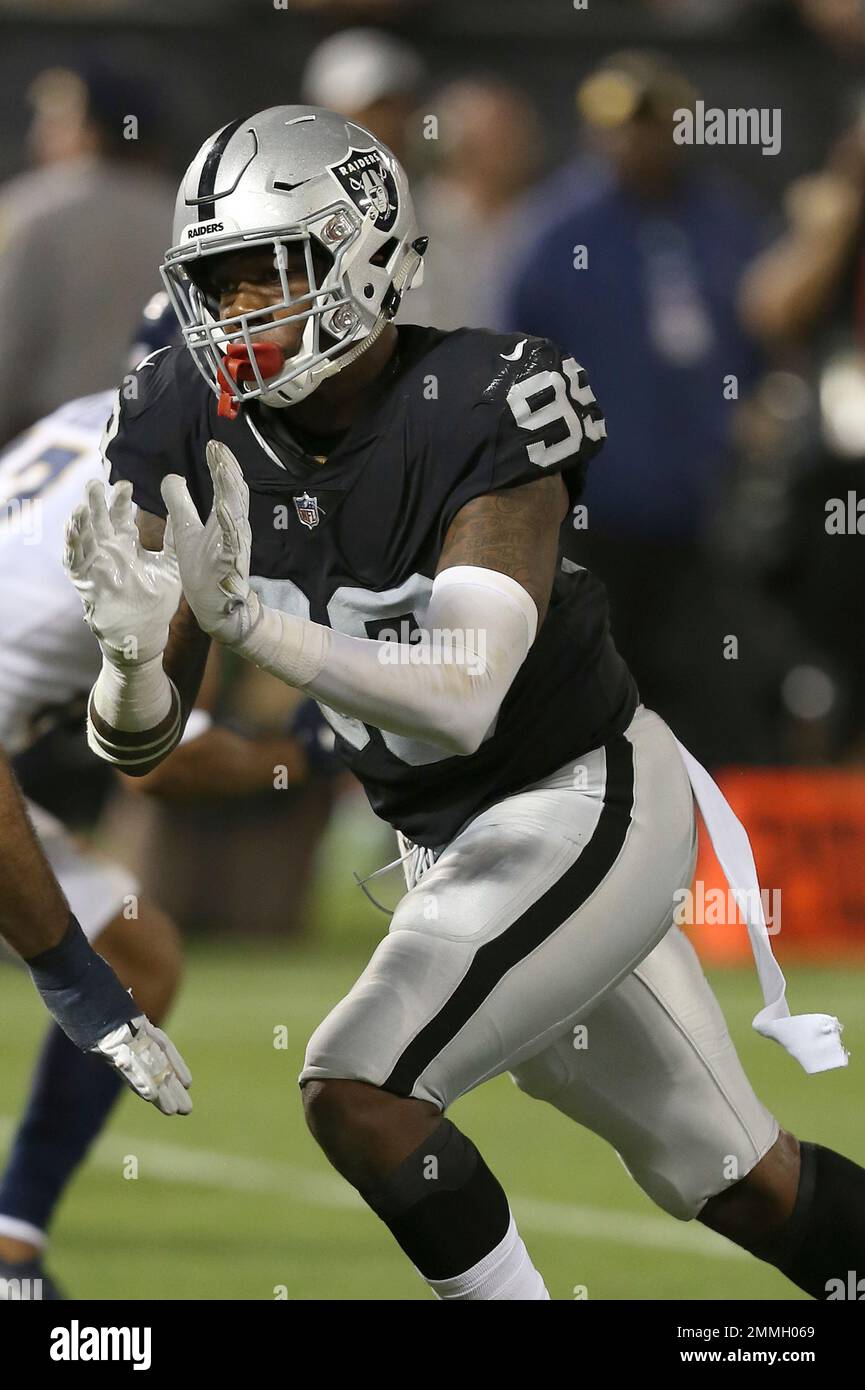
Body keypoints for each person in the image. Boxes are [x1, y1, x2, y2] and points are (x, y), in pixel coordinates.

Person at [67, 104, 861, 1301]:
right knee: (742, 1180)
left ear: (359, 254)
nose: (233, 317)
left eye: (262, 277)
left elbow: (466, 700)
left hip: (580, 798)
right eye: (214, 285)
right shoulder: (184, 405)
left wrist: (251, 624)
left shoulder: (491, 396)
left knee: (357, 1083)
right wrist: (132, 664)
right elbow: (142, 740)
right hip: (447, 843)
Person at [0, 299, 335, 1299]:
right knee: (98, 961)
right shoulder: (136, 530)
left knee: (135, 953)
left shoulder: (79, 423)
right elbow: (154, 758)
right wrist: (317, 748)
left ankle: (11, 1245)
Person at [0, 64, 175, 443]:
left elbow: (8, 349)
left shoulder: (30, 208)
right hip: (164, 441)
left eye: (58, 120)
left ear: (92, 129)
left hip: (48, 445)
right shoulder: (184, 212)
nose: (40, 133)